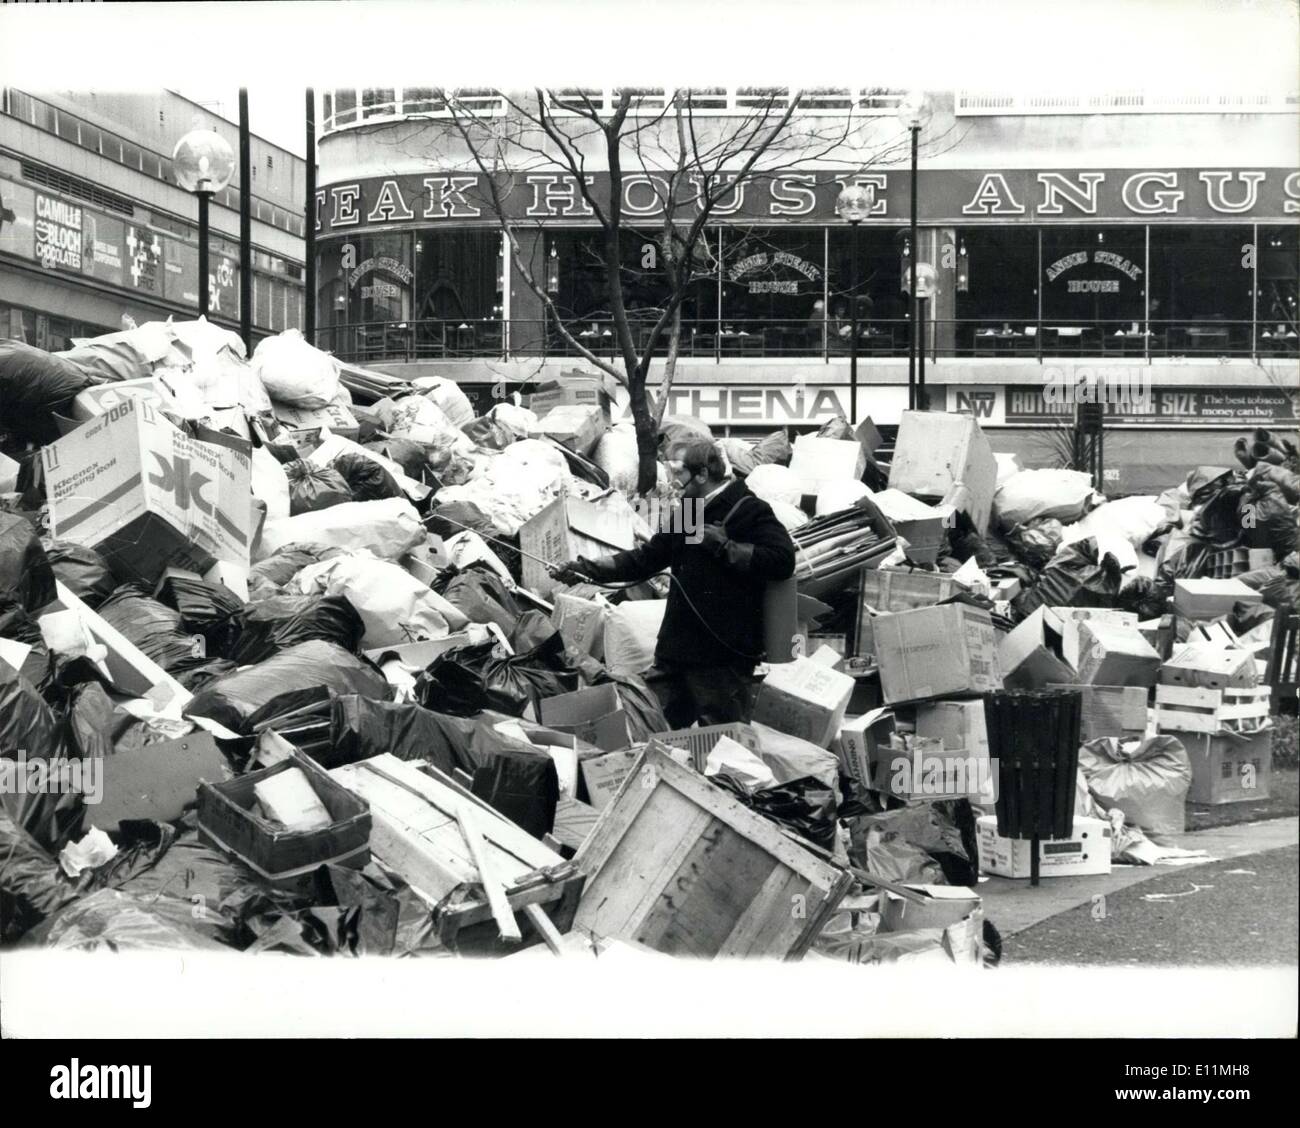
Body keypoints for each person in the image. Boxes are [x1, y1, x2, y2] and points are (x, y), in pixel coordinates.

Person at [550, 439, 796, 729]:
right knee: (646, 724)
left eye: (678, 473)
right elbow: (647, 558)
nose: (672, 481)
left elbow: (783, 561)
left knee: (724, 748)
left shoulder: (748, 509)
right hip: (677, 652)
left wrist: (726, 547)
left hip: (722, 660)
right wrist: (584, 570)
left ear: (703, 474)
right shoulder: (690, 511)